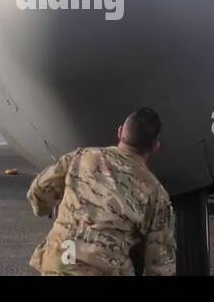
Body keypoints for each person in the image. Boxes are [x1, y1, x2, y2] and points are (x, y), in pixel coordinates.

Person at [26, 108, 176, 275]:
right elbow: (161, 263)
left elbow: (39, 191)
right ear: (155, 147)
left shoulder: (82, 156)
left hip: (58, 264)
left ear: (120, 132)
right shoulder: (155, 193)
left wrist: (42, 210)